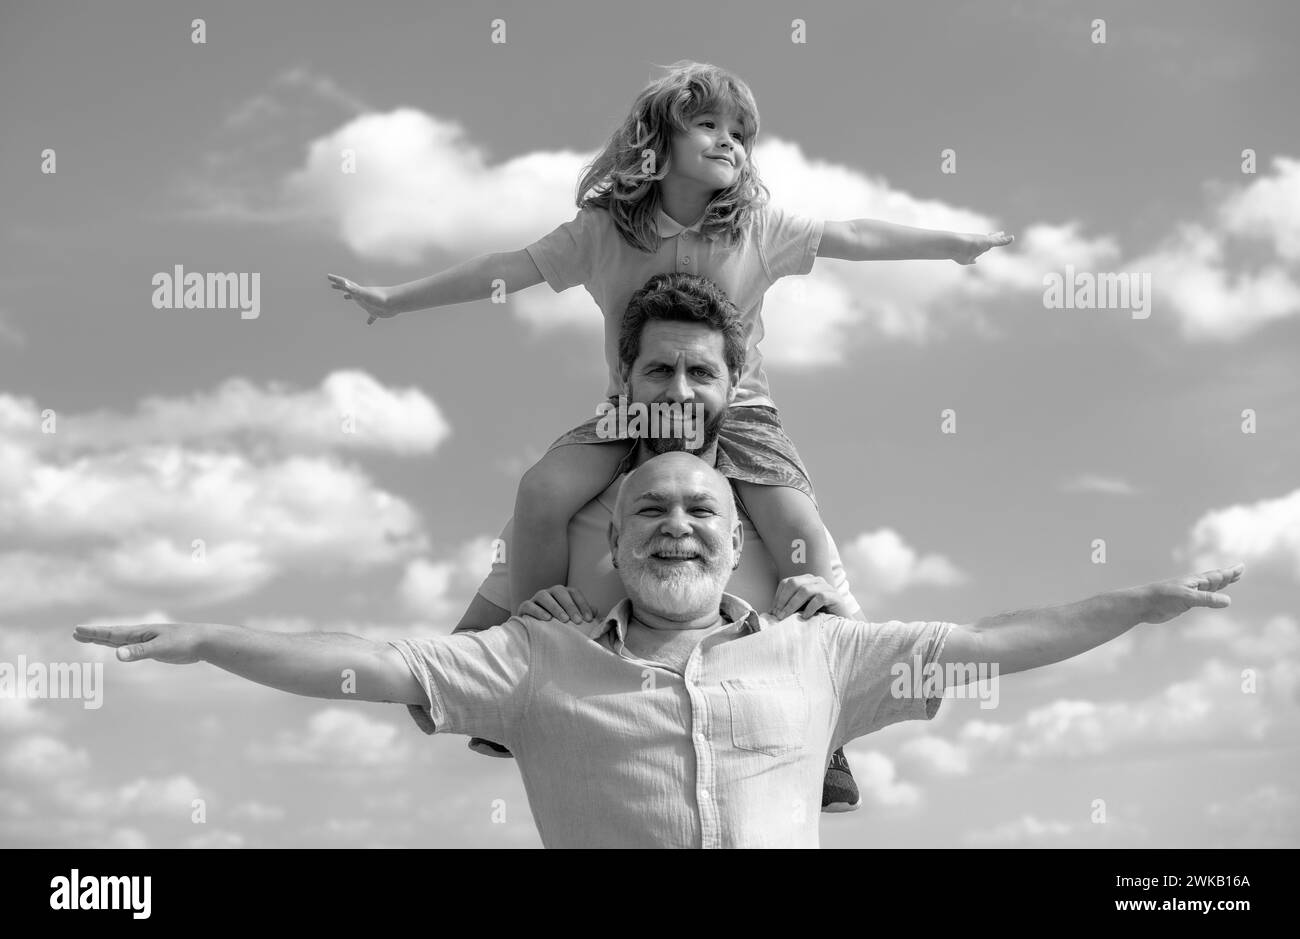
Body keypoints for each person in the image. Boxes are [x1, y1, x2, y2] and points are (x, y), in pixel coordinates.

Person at [74, 452, 1244, 848]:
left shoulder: (821, 657)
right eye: (649, 512)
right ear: (615, 545)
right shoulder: (531, 665)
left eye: (699, 512)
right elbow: (368, 660)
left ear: (736, 544)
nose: (676, 524)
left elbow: (990, 642)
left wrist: (1135, 605)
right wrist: (213, 637)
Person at [326, 59, 1014, 623]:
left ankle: (829, 700)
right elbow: (507, 270)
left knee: (795, 519)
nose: (728, 142)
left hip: (736, 410)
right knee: (541, 490)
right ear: (658, 141)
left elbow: (856, 235)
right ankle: (532, 644)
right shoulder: (602, 231)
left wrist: (950, 244)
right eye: (707, 124)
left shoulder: (759, 226)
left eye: (739, 134)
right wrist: (393, 300)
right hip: (636, 408)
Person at [451, 270, 867, 811]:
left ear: (735, 383)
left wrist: (841, 635)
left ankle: (834, 756)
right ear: (625, 377)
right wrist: (518, 646)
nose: (679, 391)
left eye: (700, 371)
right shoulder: (568, 511)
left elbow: (878, 675)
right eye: (658, 370)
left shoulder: (776, 512)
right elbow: (442, 681)